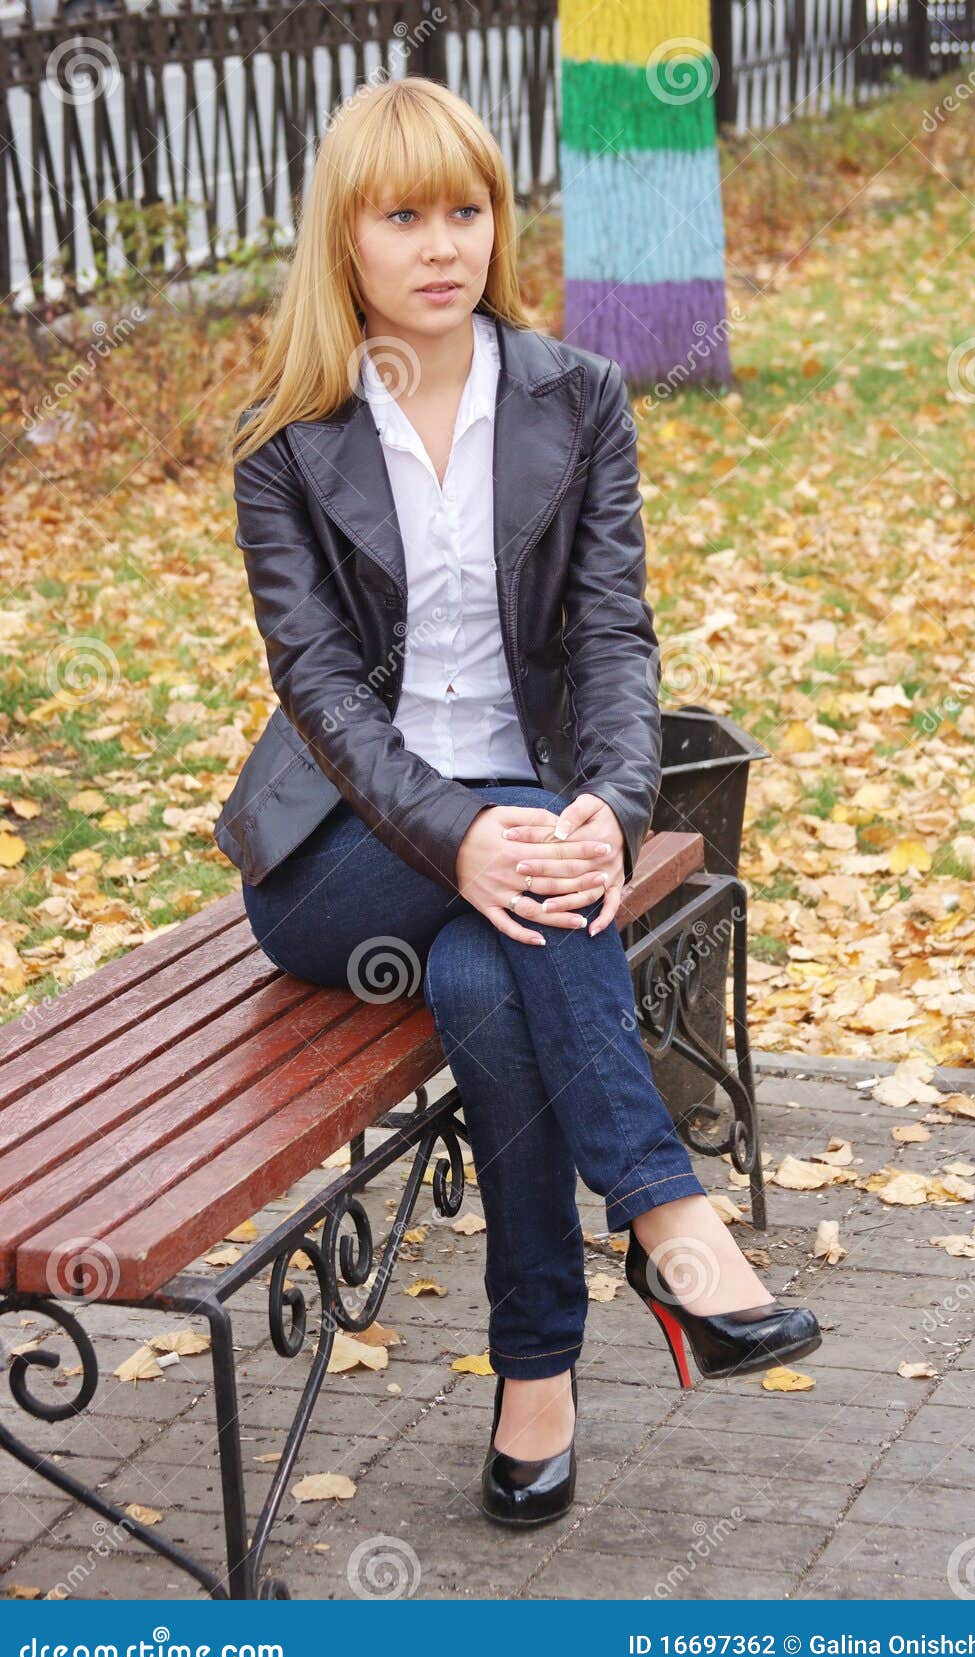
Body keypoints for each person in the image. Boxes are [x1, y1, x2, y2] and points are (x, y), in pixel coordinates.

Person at [214, 76, 820, 1528]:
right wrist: (466, 832)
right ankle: (673, 1224)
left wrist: (610, 799)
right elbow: (326, 700)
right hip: (344, 857)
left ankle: (536, 1372)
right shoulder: (284, 439)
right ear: (343, 241)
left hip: (537, 837)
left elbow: (616, 637)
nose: (442, 244)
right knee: (527, 894)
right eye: (402, 215)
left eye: (467, 209)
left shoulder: (575, 399)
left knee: (499, 965)